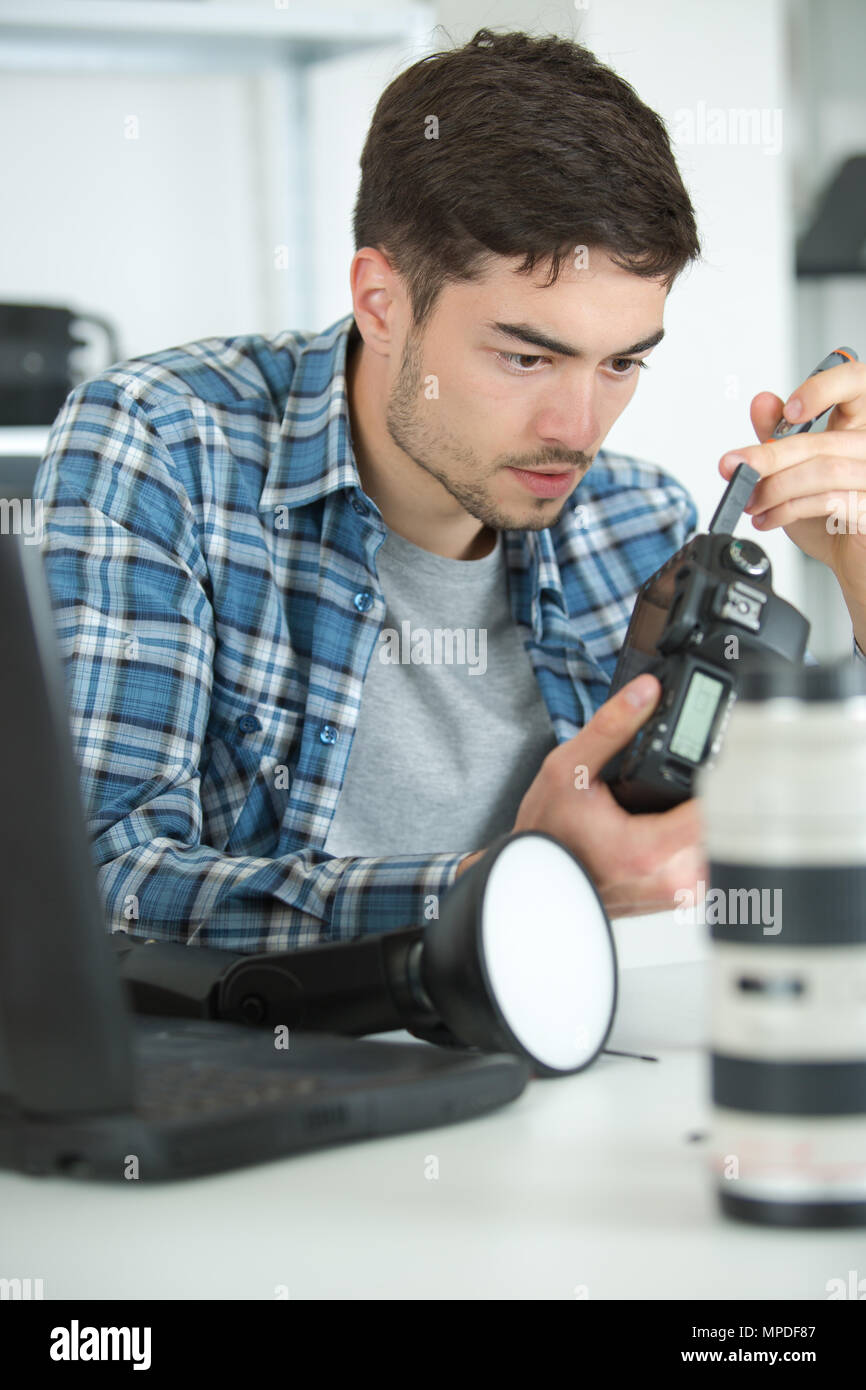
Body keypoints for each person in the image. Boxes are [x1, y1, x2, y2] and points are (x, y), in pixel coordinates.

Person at [34, 29, 866, 952]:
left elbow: (782, 878)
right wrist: (511, 884)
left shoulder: (641, 523)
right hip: (292, 1077)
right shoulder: (162, 446)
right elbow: (102, 882)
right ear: (381, 302)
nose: (578, 428)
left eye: (622, 363)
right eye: (525, 357)